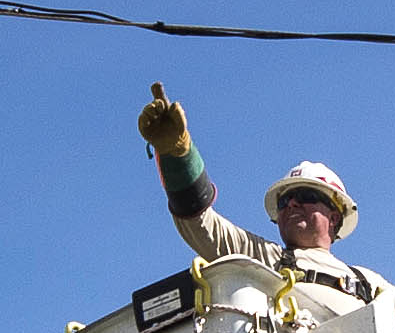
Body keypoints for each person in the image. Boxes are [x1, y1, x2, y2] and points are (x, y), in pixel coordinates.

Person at [134, 81, 378, 303]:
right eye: (283, 201)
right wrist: (178, 156)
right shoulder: (266, 258)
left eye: (307, 197)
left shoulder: (368, 283)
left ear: (334, 217)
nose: (292, 204)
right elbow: (202, 225)